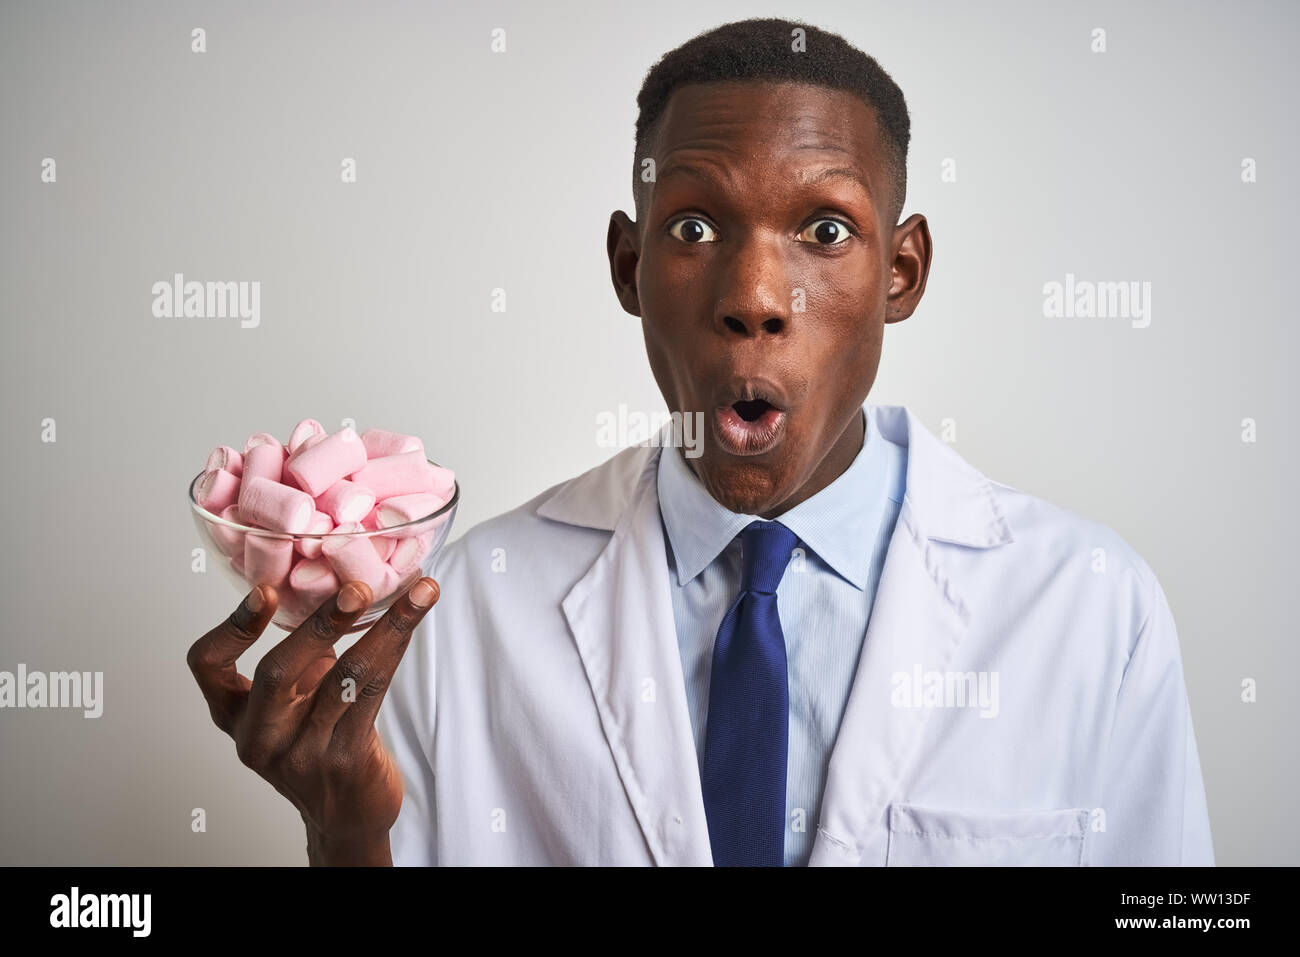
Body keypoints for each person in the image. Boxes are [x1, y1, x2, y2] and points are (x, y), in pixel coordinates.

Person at [188, 17, 1214, 867]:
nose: (754, 299)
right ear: (627, 267)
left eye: (824, 230)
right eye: (691, 228)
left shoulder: (1086, 606)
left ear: (900, 273)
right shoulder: (469, 608)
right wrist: (345, 833)